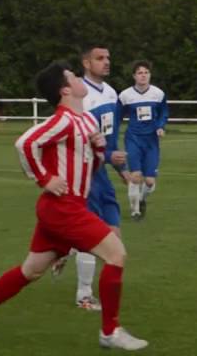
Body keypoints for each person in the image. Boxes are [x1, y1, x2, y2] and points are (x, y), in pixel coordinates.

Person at [0, 61, 148, 351]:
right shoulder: (64, 119)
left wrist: (99, 149)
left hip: (63, 207)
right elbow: (25, 143)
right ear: (65, 90)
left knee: (31, 271)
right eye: (73, 76)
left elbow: (91, 166)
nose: (78, 77)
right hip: (64, 208)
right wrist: (43, 178)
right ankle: (110, 331)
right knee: (116, 254)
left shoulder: (86, 121)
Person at [65, 44, 128, 311]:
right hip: (85, 176)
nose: (106, 62)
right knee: (92, 238)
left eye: (108, 58)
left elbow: (110, 140)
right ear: (86, 63)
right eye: (100, 58)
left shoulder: (111, 93)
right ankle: (84, 295)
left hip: (102, 174)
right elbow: (75, 141)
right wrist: (106, 154)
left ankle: (62, 248)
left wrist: (121, 170)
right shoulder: (80, 96)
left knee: (113, 236)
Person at [117, 60, 169, 220]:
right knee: (135, 176)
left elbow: (163, 113)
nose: (143, 75)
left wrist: (160, 126)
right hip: (133, 138)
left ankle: (141, 199)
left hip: (151, 140)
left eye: (146, 72)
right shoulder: (125, 95)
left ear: (150, 75)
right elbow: (117, 116)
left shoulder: (158, 94)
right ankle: (135, 212)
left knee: (149, 181)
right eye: (140, 72)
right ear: (134, 76)